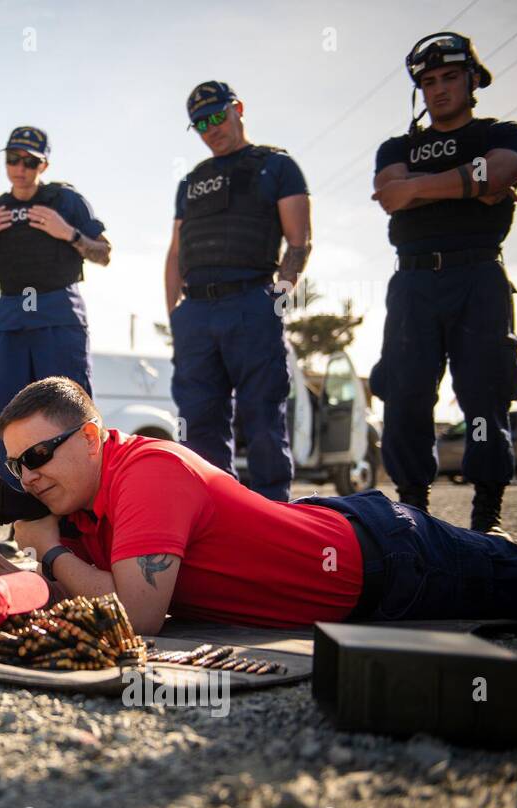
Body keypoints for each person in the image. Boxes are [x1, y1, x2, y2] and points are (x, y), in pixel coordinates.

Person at [0, 377, 517, 636]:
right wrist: (2, 570)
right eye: (15, 465)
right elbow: (80, 594)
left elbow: (138, 615)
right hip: (356, 566)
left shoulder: (148, 471)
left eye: (39, 454)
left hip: (391, 557)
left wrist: (48, 550)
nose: (28, 475)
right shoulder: (78, 505)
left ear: (88, 437)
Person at [369, 32, 517, 537]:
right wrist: (469, 183)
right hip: (413, 282)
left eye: (450, 78)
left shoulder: (501, 132)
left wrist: (419, 186)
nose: (438, 89)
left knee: (486, 393)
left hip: (479, 276)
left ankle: (488, 516)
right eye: (429, 81)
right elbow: (390, 195)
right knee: (406, 393)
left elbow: (501, 171)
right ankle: (413, 511)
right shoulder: (397, 146)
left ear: (472, 79)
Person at [164, 81, 312, 503]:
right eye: (200, 123)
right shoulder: (191, 182)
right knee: (199, 422)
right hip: (195, 313)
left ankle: (275, 514)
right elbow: (175, 252)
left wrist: (277, 301)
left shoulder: (276, 166)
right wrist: (175, 314)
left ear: (238, 109)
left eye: (216, 116)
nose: (210, 128)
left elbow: (299, 242)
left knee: (262, 416)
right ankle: (219, 515)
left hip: (251, 303)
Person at [0, 125, 110, 489]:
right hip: (11, 317)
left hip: (58, 313)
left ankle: (77, 519)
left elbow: (104, 254)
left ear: (44, 165)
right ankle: (20, 515)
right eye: (13, 159)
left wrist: (68, 233)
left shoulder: (65, 201)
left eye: (30, 162)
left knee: (68, 416)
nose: (20, 168)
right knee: (8, 418)